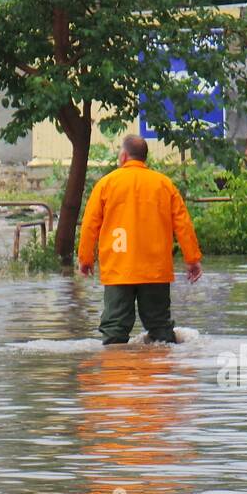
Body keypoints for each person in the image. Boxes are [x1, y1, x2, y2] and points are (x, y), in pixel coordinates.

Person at [77, 134, 202, 345]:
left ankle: (117, 373)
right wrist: (192, 259)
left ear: (124, 156)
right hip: (155, 269)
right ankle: (160, 374)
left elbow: (90, 225)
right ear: (144, 158)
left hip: (119, 268)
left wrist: (85, 259)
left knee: (115, 329)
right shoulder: (163, 184)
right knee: (160, 329)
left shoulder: (107, 184)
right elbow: (183, 224)